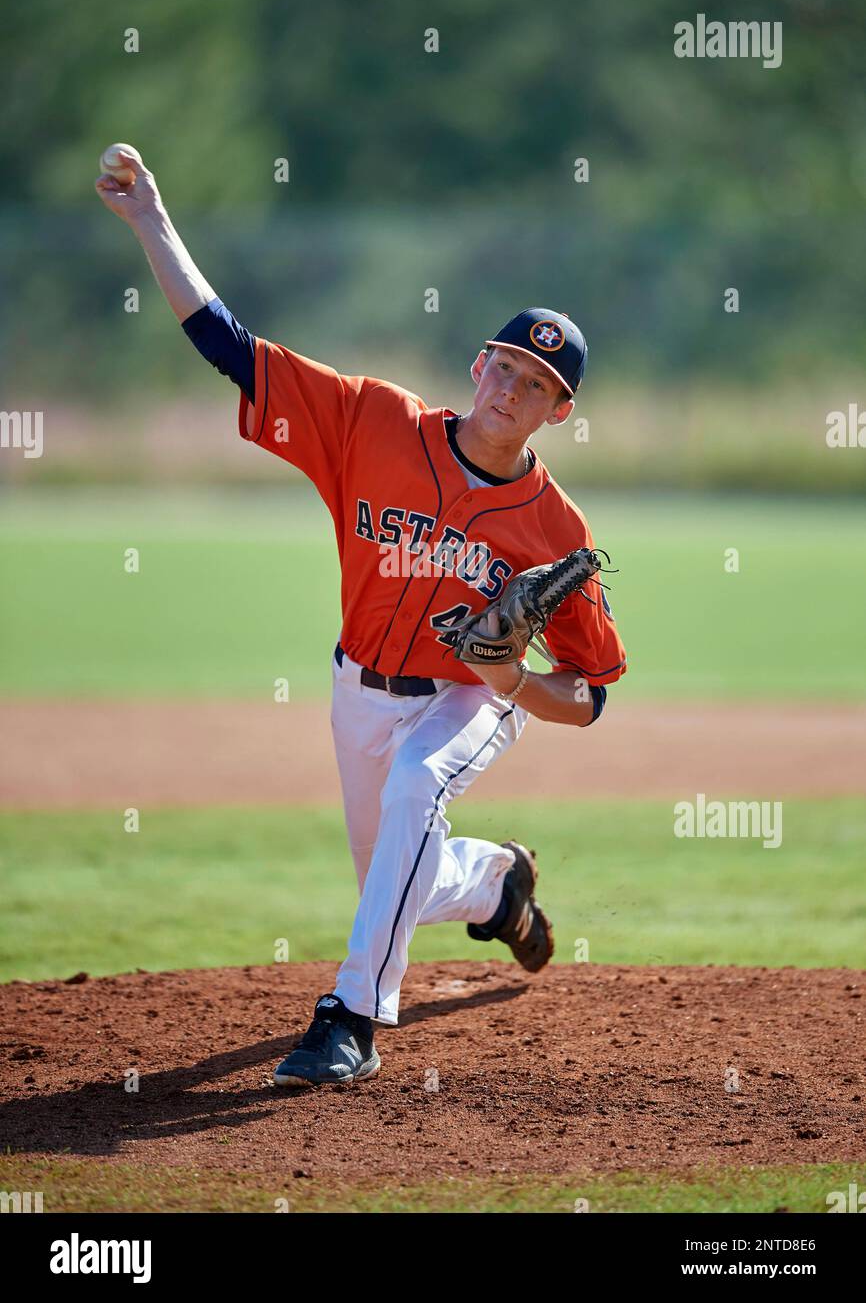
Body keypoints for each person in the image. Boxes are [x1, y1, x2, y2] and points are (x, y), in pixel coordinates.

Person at [95, 149, 627, 1088]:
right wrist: (151, 221)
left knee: (419, 787)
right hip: (357, 691)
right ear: (478, 363)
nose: (510, 390)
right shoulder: (373, 422)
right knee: (399, 881)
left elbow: (589, 700)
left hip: (466, 703)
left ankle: (351, 1020)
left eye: (535, 385)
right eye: (504, 367)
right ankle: (498, 885)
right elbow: (231, 346)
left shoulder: (556, 530)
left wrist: (512, 681)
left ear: (559, 410)